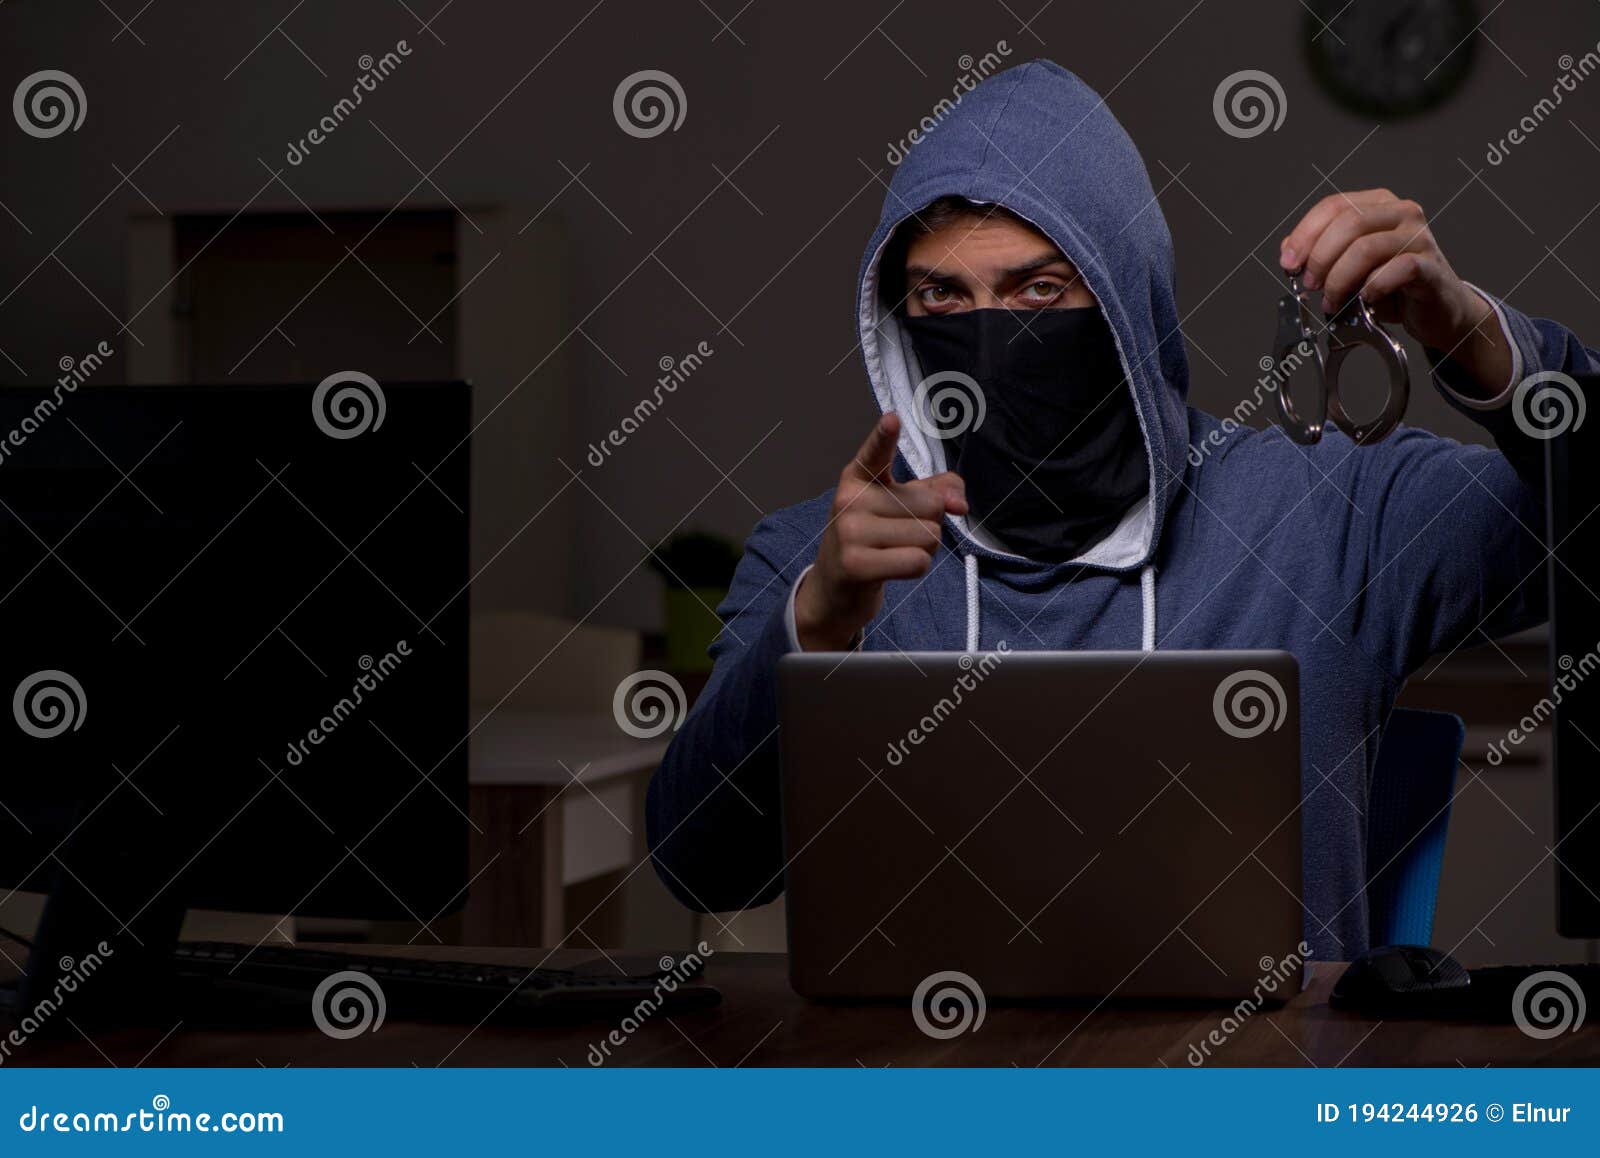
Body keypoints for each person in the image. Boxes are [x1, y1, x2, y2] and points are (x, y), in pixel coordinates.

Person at [646, 59, 1592, 959]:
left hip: (1252, 1106)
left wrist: (1471, 333)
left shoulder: (1332, 514)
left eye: (1039, 290)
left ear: (1126, 305)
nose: (992, 339)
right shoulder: (828, 563)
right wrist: (810, 633)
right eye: (943, 296)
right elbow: (702, 869)